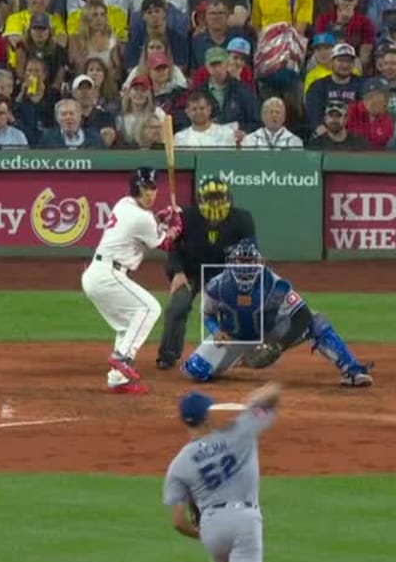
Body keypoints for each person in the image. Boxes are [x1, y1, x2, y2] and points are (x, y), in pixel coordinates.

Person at [161, 382, 283, 562]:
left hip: (212, 526)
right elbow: (273, 396)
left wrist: (202, 534)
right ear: (207, 416)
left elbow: (178, 521)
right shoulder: (240, 432)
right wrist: (252, 399)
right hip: (246, 519)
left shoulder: (179, 464)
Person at [183, 239, 373, 388]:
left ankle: (352, 370)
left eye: (250, 262)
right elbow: (207, 314)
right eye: (241, 261)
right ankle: (241, 358)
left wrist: (278, 346)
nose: (245, 266)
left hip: (272, 332)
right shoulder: (216, 286)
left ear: (260, 263)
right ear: (231, 263)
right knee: (195, 370)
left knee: (316, 322)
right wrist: (215, 330)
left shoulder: (275, 284)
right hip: (235, 337)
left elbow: (302, 315)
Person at [84, 167, 182, 395]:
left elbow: (147, 225)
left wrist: (163, 217)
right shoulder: (141, 216)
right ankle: (122, 357)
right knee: (150, 308)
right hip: (108, 274)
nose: (150, 193)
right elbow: (165, 244)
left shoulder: (124, 204)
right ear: (135, 189)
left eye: (153, 188)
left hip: (97, 274)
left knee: (127, 325)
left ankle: (118, 379)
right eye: (145, 189)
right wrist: (176, 224)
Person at [155, 176, 257, 370]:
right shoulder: (186, 217)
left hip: (224, 274)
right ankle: (168, 355)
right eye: (210, 198)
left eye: (219, 198)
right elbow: (173, 247)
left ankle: (241, 353)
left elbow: (252, 252)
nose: (215, 203)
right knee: (178, 305)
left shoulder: (243, 219)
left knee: (240, 307)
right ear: (200, 200)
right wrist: (177, 272)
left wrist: (242, 283)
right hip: (190, 270)